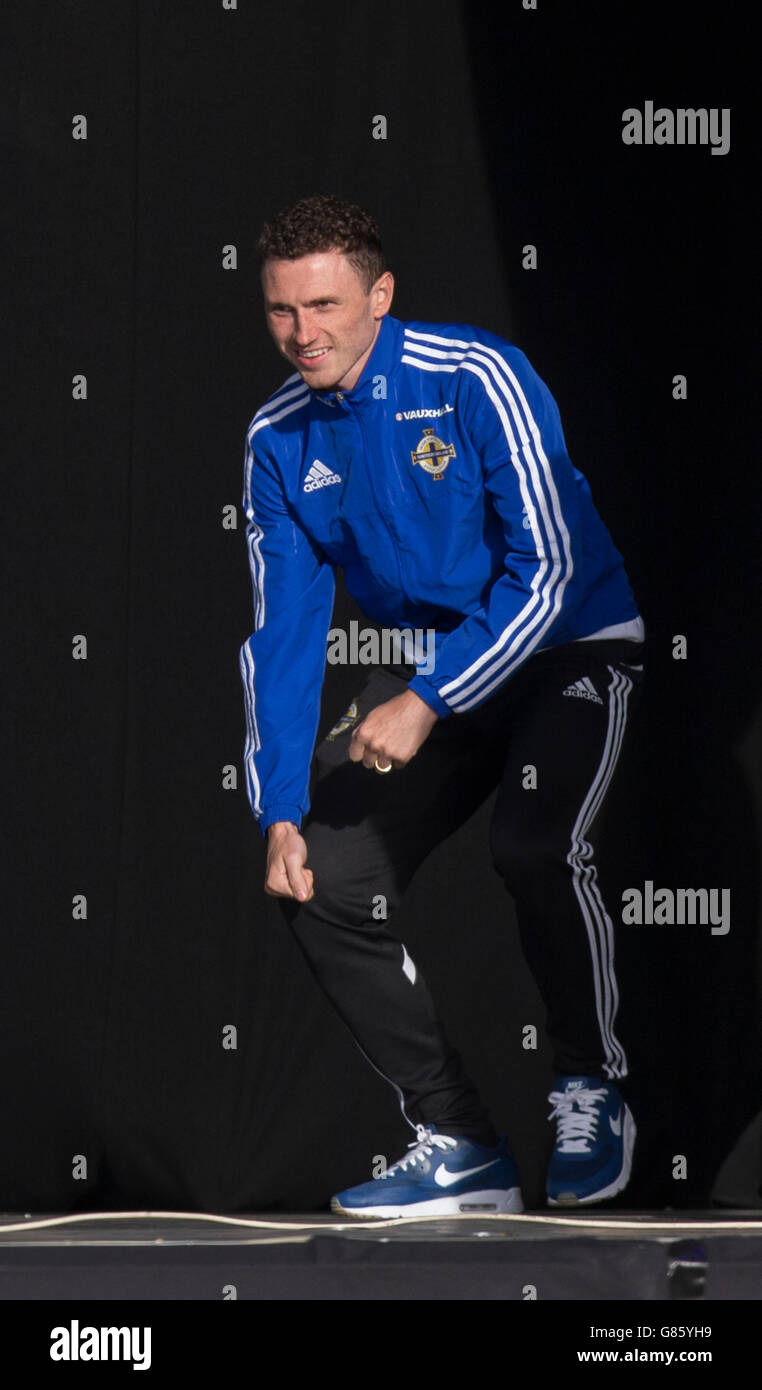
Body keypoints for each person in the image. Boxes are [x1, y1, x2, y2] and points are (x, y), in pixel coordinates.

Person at [239, 193, 646, 1215]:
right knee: (319, 878)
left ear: (381, 294)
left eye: (326, 305)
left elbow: (549, 568)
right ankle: (462, 1143)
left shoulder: (475, 377)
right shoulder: (279, 435)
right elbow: (284, 632)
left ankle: (590, 1083)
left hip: (567, 647)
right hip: (439, 671)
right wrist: (278, 805)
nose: (305, 334)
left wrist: (429, 696)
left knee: (533, 844)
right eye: (283, 311)